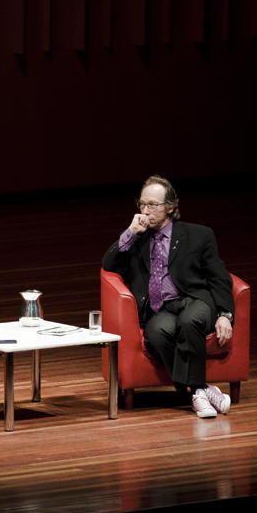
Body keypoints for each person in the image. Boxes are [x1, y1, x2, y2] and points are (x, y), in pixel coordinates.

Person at [101, 175, 235, 418]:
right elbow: (108, 264)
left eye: (153, 205)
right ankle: (201, 390)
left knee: (189, 321)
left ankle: (197, 392)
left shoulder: (199, 235)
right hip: (159, 309)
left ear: (170, 208)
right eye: (142, 204)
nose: (145, 210)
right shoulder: (136, 239)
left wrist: (225, 314)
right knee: (156, 333)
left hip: (195, 301)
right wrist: (131, 232)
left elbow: (219, 276)